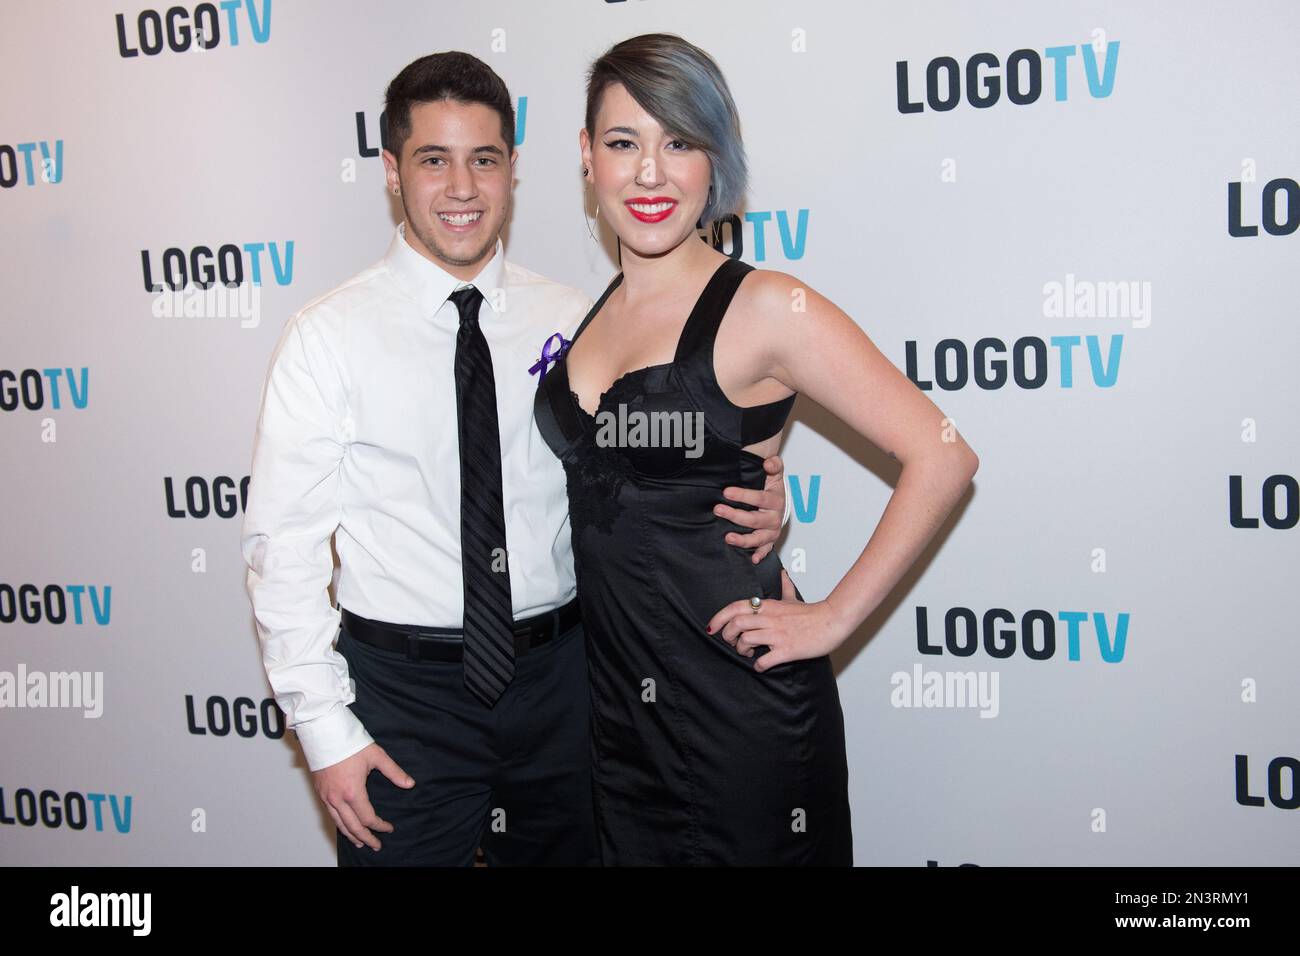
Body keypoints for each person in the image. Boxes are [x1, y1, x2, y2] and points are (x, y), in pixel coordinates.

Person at [239, 51, 789, 867]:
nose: (462, 188)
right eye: (434, 159)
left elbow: (643, 473)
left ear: (515, 169)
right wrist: (325, 734)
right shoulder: (327, 338)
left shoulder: (579, 320)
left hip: (569, 683)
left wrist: (752, 484)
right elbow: (280, 552)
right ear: (391, 171)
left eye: (483, 159)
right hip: (402, 698)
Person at [534, 33, 980, 865]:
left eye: (680, 142)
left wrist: (835, 618)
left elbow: (943, 454)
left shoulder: (767, 305)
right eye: (625, 142)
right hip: (618, 719)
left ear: (716, 161)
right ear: (587, 157)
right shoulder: (591, 313)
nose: (651, 173)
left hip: (736, 714)